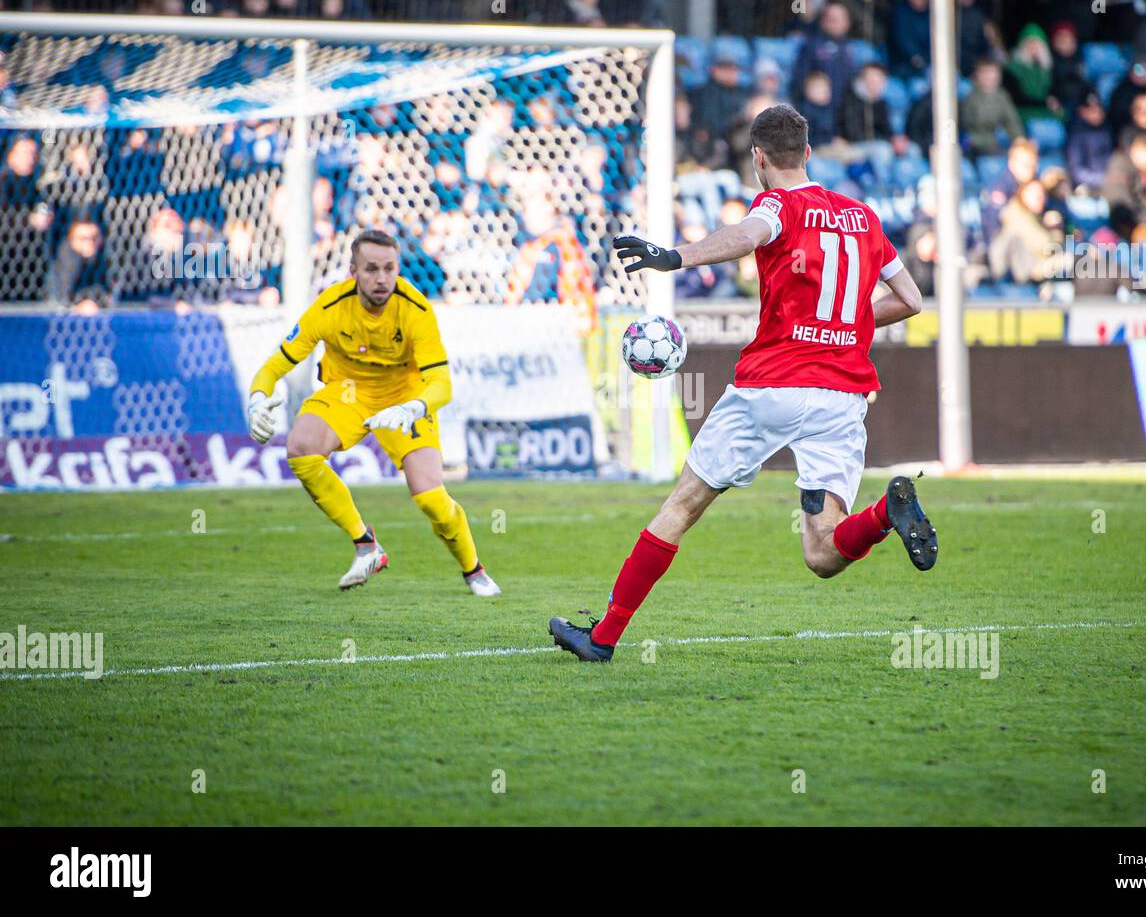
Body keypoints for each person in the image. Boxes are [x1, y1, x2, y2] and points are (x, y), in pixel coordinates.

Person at [547, 104, 933, 662]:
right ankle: (882, 516)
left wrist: (674, 256)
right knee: (824, 553)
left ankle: (602, 638)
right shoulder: (864, 217)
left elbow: (749, 234)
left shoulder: (776, 203)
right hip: (841, 398)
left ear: (758, 158)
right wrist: (847, 326)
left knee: (681, 507)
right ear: (807, 152)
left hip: (771, 387)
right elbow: (912, 300)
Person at [245, 230, 501, 596]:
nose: (382, 278)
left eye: (389, 268)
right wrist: (258, 397)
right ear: (353, 272)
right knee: (301, 447)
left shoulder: (416, 310)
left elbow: (442, 384)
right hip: (348, 392)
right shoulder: (329, 307)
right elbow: (275, 365)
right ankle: (366, 544)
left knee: (431, 499)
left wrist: (415, 406)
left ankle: (473, 569)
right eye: (371, 269)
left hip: (404, 396)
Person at [960, 58, 1024, 156]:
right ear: (977, 75)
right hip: (975, 144)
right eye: (985, 73)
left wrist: (1020, 141)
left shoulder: (1002, 96)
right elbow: (968, 124)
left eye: (992, 72)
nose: (989, 76)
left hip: (995, 141)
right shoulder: (970, 95)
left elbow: (1012, 121)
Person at [1066, 90, 1113, 192]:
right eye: (1090, 109)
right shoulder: (1076, 134)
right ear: (1081, 111)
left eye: (1098, 107)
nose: (1096, 111)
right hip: (1089, 187)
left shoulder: (1109, 128)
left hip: (1113, 180)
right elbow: (1076, 171)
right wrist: (1103, 179)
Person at [888, 0, 932, 79]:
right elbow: (902, 39)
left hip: (929, 64)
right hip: (903, 66)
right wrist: (916, 57)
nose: (919, 0)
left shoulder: (934, 13)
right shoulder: (899, 12)